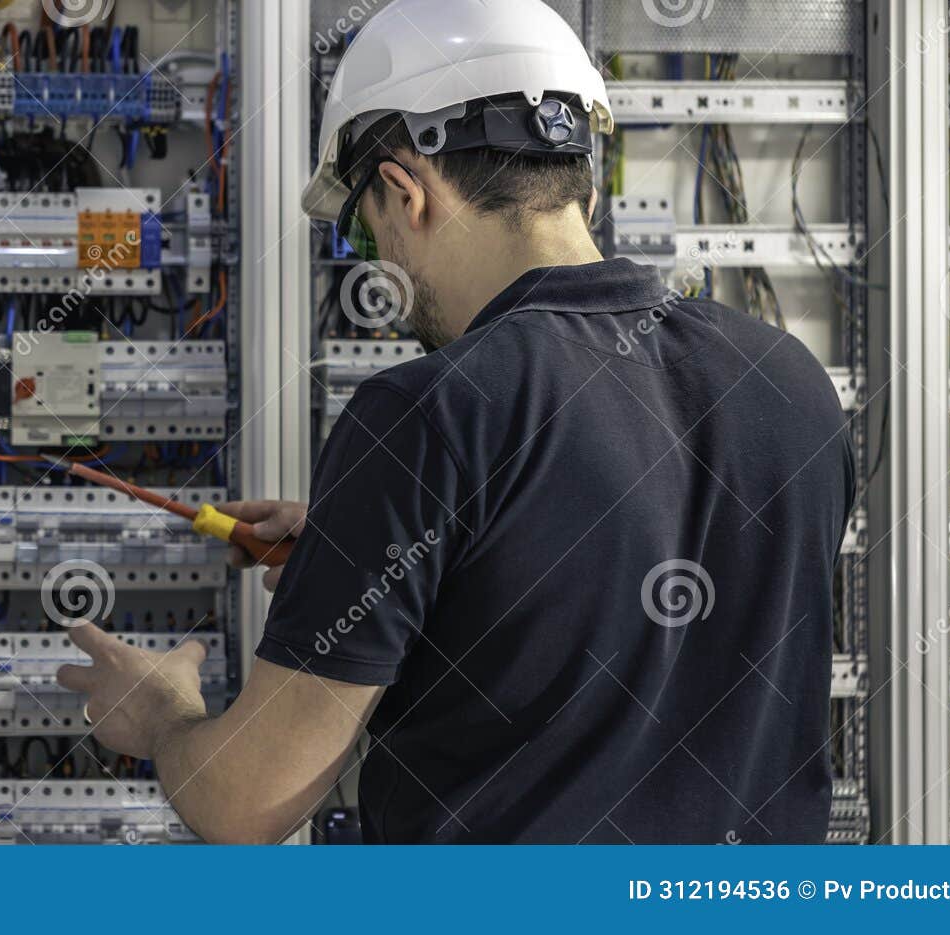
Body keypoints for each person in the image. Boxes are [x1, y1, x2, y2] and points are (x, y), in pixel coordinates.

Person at [56, 0, 855, 843]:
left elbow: (244, 801)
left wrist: (161, 714)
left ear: (405, 190)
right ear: (581, 170)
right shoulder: (789, 382)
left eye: (371, 235)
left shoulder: (426, 411)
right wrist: (385, 555)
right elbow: (627, 601)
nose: (385, 268)